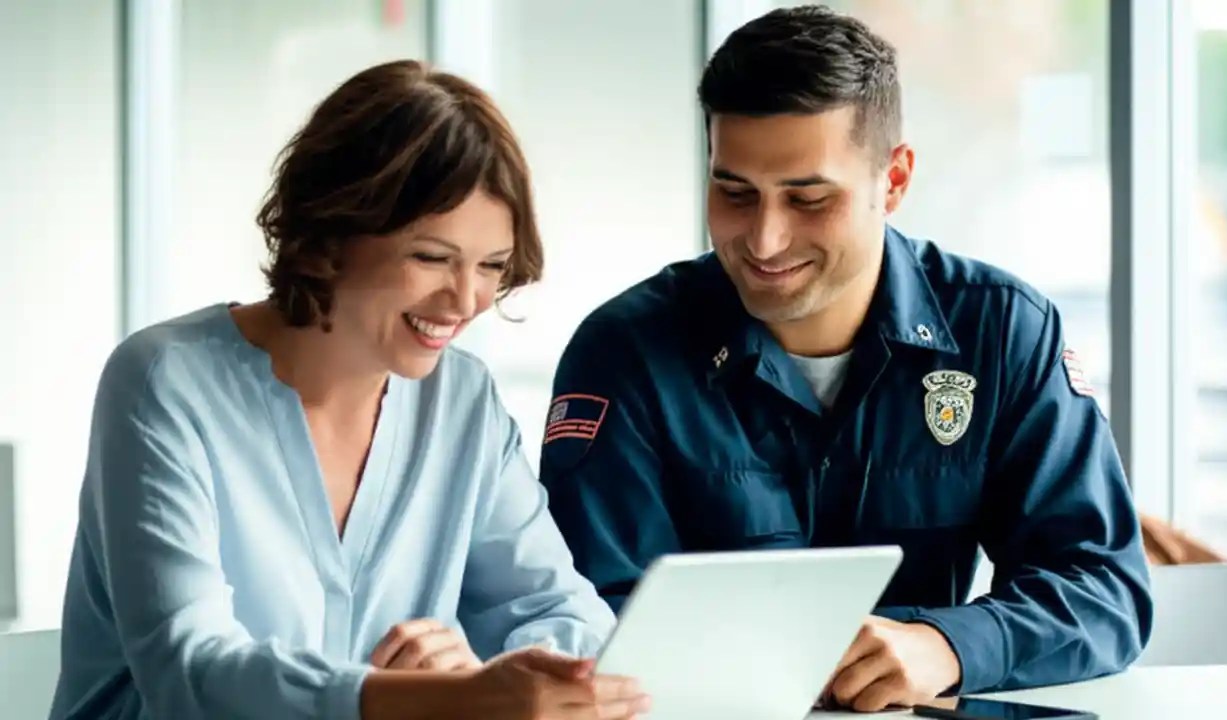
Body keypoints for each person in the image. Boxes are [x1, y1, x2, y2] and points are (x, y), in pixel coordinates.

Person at [538, 5, 1152, 713]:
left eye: (808, 198)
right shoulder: (623, 354)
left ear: (893, 180)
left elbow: (1102, 589)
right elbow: (588, 620)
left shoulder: (1003, 332)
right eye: (734, 192)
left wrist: (946, 646)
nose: (764, 240)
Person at [51, 60, 648, 720]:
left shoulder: (463, 403)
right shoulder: (163, 382)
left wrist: (480, 679)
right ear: (323, 242)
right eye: (431, 257)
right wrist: (426, 700)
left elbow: (563, 613)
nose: (465, 299)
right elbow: (190, 669)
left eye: (491, 267)